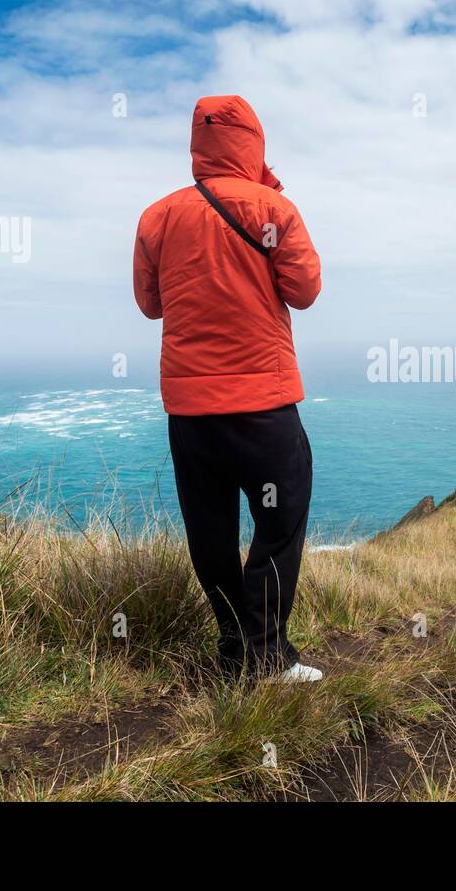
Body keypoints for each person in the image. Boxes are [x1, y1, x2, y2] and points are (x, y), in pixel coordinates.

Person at [133, 95, 323, 683]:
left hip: (190, 413)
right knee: (280, 519)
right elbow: (304, 289)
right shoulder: (273, 208)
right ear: (253, 143)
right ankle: (266, 655)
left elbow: (150, 305)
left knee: (210, 530)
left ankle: (234, 648)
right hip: (262, 408)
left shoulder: (156, 217)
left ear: (198, 144)